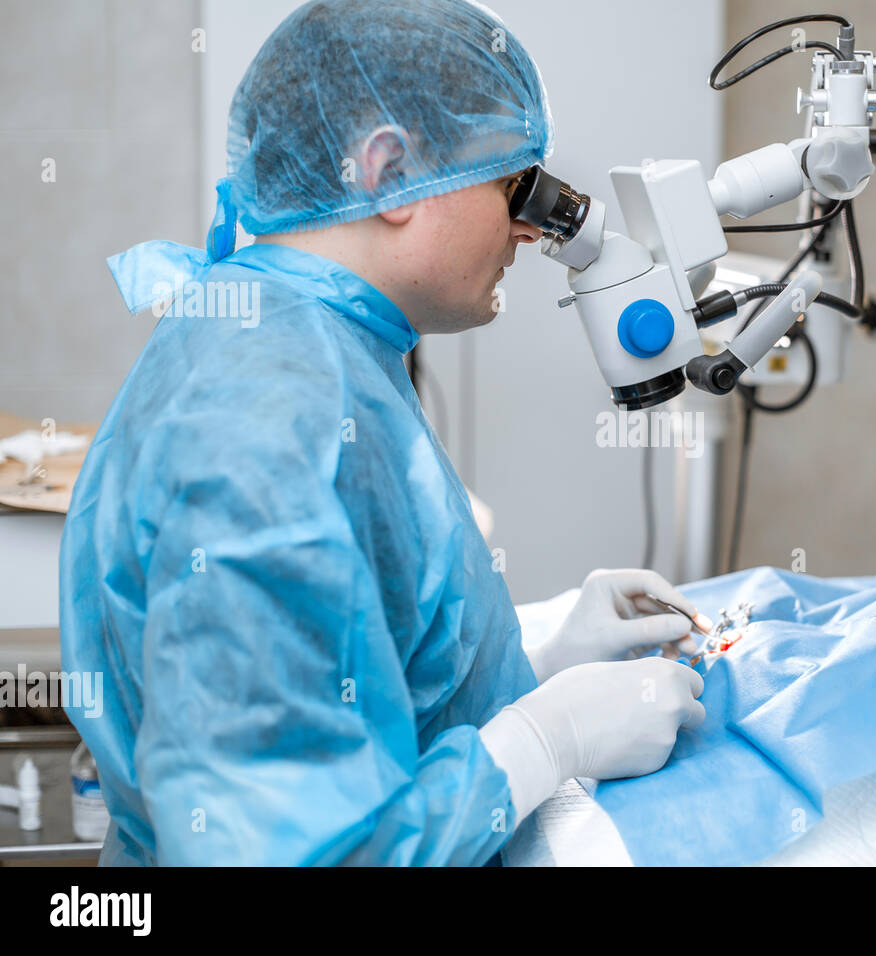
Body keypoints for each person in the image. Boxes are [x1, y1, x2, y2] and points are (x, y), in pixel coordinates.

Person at [59, 0, 704, 866]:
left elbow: (341, 680)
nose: (527, 226)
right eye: (514, 185)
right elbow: (280, 850)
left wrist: (540, 667)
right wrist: (547, 742)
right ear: (387, 167)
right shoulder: (261, 417)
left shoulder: (322, 345)